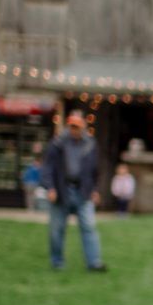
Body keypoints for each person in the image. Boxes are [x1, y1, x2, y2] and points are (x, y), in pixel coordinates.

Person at [43, 109, 107, 273]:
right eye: (72, 126)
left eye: (77, 126)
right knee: (57, 229)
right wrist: (50, 187)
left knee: (89, 227)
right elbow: (48, 167)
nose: (74, 129)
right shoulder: (57, 144)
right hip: (62, 190)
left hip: (83, 191)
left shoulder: (90, 144)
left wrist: (95, 189)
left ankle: (94, 263)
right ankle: (57, 262)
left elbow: (95, 170)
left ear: (84, 126)